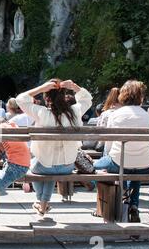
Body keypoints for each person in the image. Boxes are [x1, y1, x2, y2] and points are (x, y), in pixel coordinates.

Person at [17, 79, 93, 216]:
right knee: (50, 167)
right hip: (67, 166)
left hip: (45, 166)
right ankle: (43, 204)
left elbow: (20, 100)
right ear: (64, 96)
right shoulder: (74, 112)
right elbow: (87, 99)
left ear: (46, 97)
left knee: (42, 165)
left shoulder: (42, 113)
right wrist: (74, 86)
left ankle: (42, 202)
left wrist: (40, 88)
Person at [93, 80, 149, 222]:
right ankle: (133, 205)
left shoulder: (115, 114)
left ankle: (123, 199)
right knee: (135, 171)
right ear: (140, 97)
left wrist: (107, 157)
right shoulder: (147, 115)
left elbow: (108, 142)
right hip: (145, 165)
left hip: (119, 162)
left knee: (93, 167)